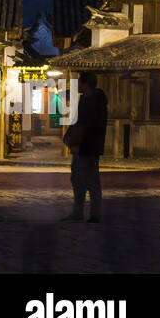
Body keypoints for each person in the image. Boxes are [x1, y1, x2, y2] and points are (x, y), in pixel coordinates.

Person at [60, 71, 108, 224]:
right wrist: (69, 135)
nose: (78, 85)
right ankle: (78, 211)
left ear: (85, 84)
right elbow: (77, 121)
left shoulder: (95, 102)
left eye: (80, 82)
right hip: (83, 146)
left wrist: (77, 142)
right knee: (78, 180)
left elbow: (88, 126)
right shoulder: (86, 99)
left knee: (91, 181)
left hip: (89, 146)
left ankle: (95, 214)